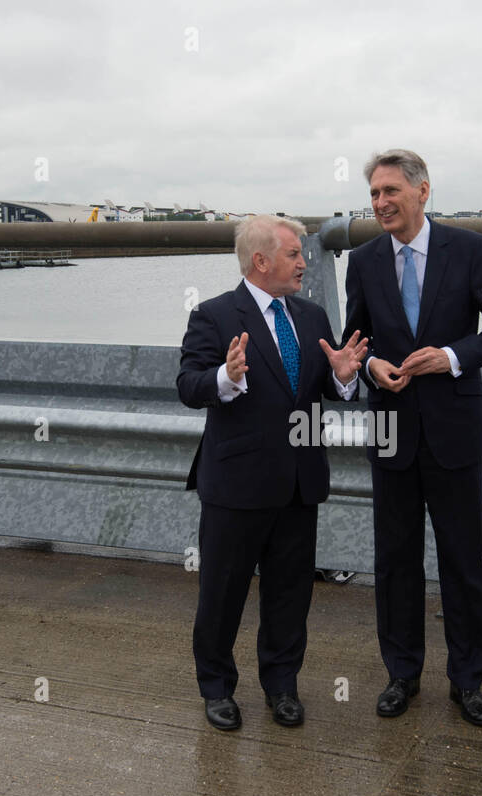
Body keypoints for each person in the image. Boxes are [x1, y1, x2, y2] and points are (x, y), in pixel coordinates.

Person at [343, 149, 482, 726]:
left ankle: (468, 680)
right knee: (395, 560)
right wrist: (370, 368)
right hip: (391, 428)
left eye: (391, 191)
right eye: (373, 194)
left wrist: (450, 357)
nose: (380, 203)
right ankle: (402, 673)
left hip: (453, 430)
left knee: (463, 562)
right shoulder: (365, 259)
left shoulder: (468, 251)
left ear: (423, 191)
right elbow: (356, 339)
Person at [177, 215, 367, 730]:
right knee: (222, 594)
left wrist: (345, 378)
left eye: (304, 253)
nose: (305, 262)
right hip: (236, 485)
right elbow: (189, 386)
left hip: (299, 483)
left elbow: (327, 386)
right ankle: (216, 688)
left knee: (290, 594)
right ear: (261, 261)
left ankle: (282, 687)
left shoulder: (310, 316)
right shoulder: (213, 316)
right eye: (294, 254)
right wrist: (226, 375)